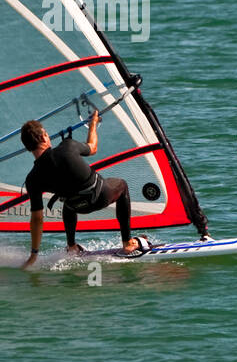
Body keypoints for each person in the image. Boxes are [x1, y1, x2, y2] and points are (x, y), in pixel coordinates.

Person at [20, 111, 147, 266]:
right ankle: (127, 242)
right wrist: (93, 125)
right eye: (46, 134)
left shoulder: (32, 178)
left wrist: (34, 254)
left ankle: (72, 246)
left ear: (28, 148)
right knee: (122, 185)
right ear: (42, 137)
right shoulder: (67, 146)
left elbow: (37, 219)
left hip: (78, 206)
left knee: (68, 203)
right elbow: (92, 148)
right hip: (100, 196)